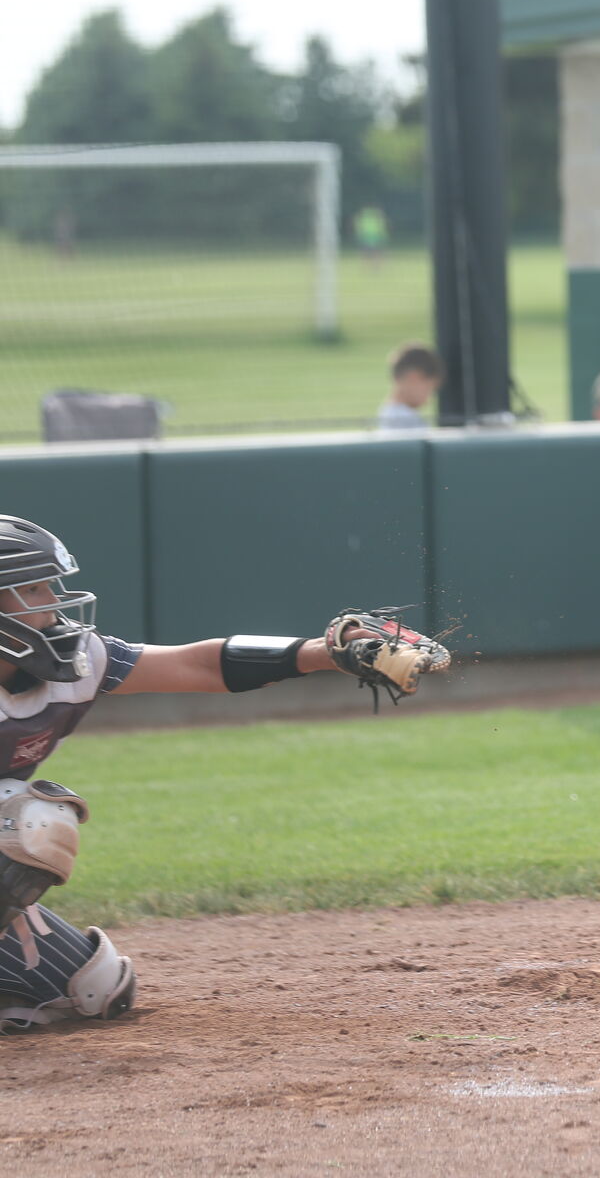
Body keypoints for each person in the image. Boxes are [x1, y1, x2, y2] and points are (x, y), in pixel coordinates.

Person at [0, 515, 447, 1031]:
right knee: (30, 823)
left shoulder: (75, 663)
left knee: (93, 990)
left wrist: (323, 654)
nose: (53, 601)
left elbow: (198, 664)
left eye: (50, 584)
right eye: (32, 589)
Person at [377, 342, 443, 433]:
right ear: (414, 378)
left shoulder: (390, 413)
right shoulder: (403, 420)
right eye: (429, 388)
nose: (430, 397)